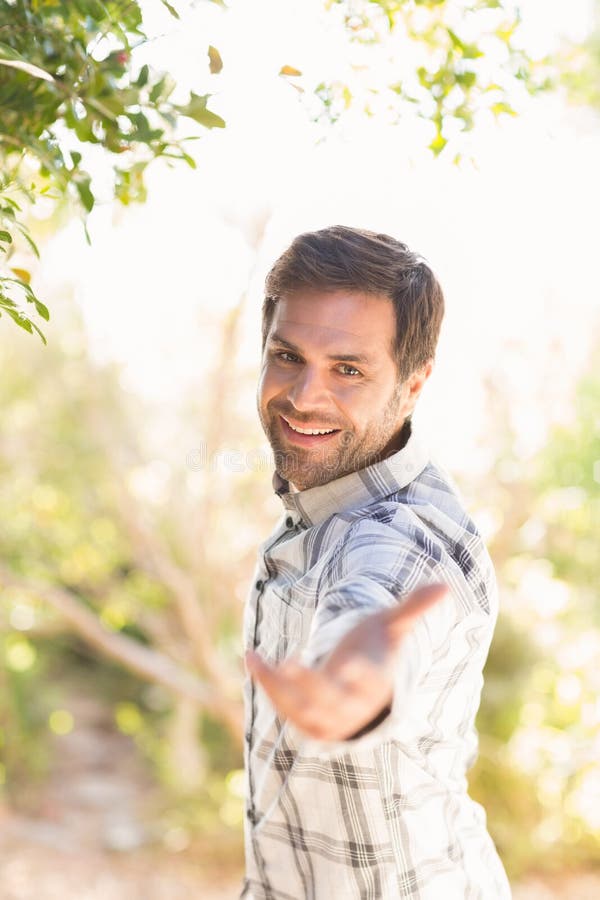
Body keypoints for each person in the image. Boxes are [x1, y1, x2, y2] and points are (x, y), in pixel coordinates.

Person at [241, 226, 511, 899]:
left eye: (348, 369)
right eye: (287, 355)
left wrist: (354, 691)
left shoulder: (399, 534)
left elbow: (378, 606)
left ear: (414, 384)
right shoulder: (320, 510)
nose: (305, 396)